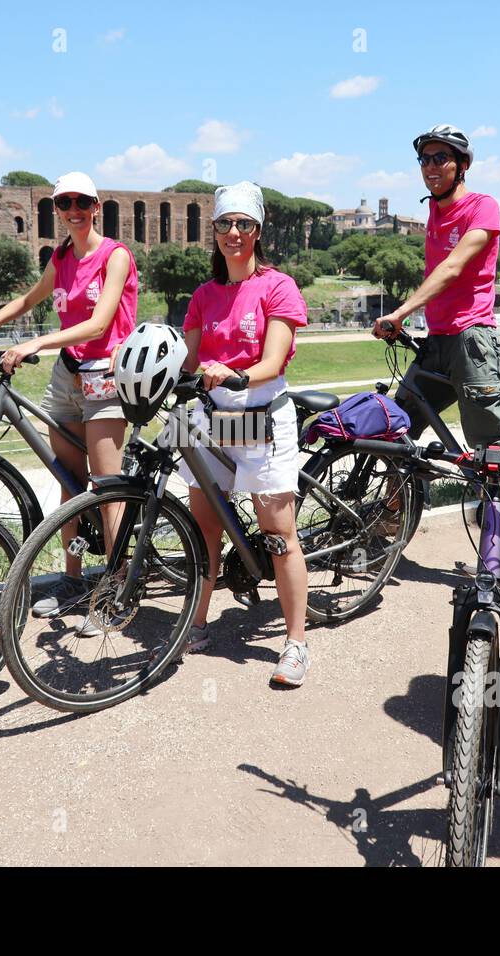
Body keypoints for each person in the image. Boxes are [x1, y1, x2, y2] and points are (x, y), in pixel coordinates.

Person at [0, 171, 137, 621]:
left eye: (82, 202)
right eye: (64, 204)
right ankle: (74, 579)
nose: (73, 210)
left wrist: (36, 343)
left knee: (106, 489)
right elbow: (28, 300)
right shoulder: (60, 257)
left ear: (96, 207)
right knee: (71, 487)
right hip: (67, 376)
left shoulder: (115, 256)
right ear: (56, 211)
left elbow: (99, 324)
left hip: (107, 377)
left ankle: (117, 591)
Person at [178, 181, 312, 687]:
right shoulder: (203, 296)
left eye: (244, 224)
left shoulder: (279, 286)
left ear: (258, 231)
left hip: (261, 413)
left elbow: (273, 360)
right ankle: (197, 622)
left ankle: (296, 643)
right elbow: (191, 361)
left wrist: (232, 373)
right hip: (212, 417)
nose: (234, 233)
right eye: (225, 224)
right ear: (213, 231)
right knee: (204, 528)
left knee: (279, 534)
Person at [370, 124, 500, 525]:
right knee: (396, 430)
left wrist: (399, 312)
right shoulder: (434, 208)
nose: (431, 166)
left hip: (472, 341)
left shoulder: (482, 206)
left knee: (493, 456)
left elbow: (453, 268)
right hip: (438, 341)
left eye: (441, 158)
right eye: (425, 159)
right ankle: (387, 522)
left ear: (462, 165)